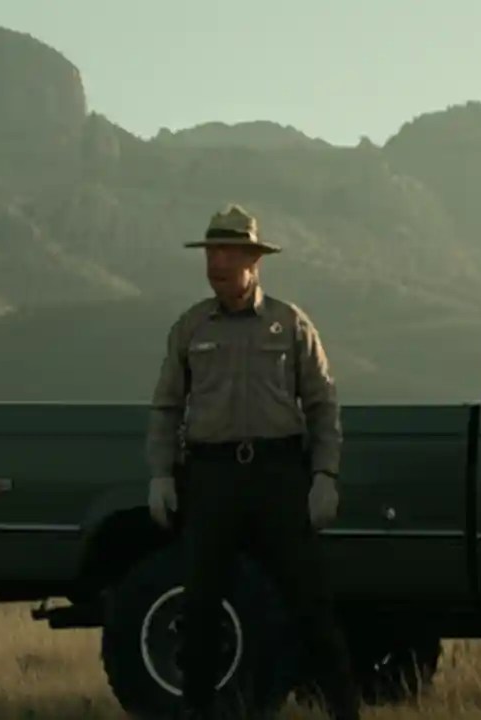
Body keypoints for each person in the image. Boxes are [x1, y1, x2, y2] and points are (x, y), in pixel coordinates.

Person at [145, 204, 361, 720]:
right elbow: (167, 406)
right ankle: (198, 711)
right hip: (212, 477)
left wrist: (325, 475)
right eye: (211, 252)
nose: (216, 263)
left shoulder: (289, 324)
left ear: (254, 260)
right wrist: (160, 473)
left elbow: (323, 403)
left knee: (309, 602)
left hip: (277, 475)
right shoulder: (191, 327)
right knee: (200, 605)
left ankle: (344, 710)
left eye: (228, 253)